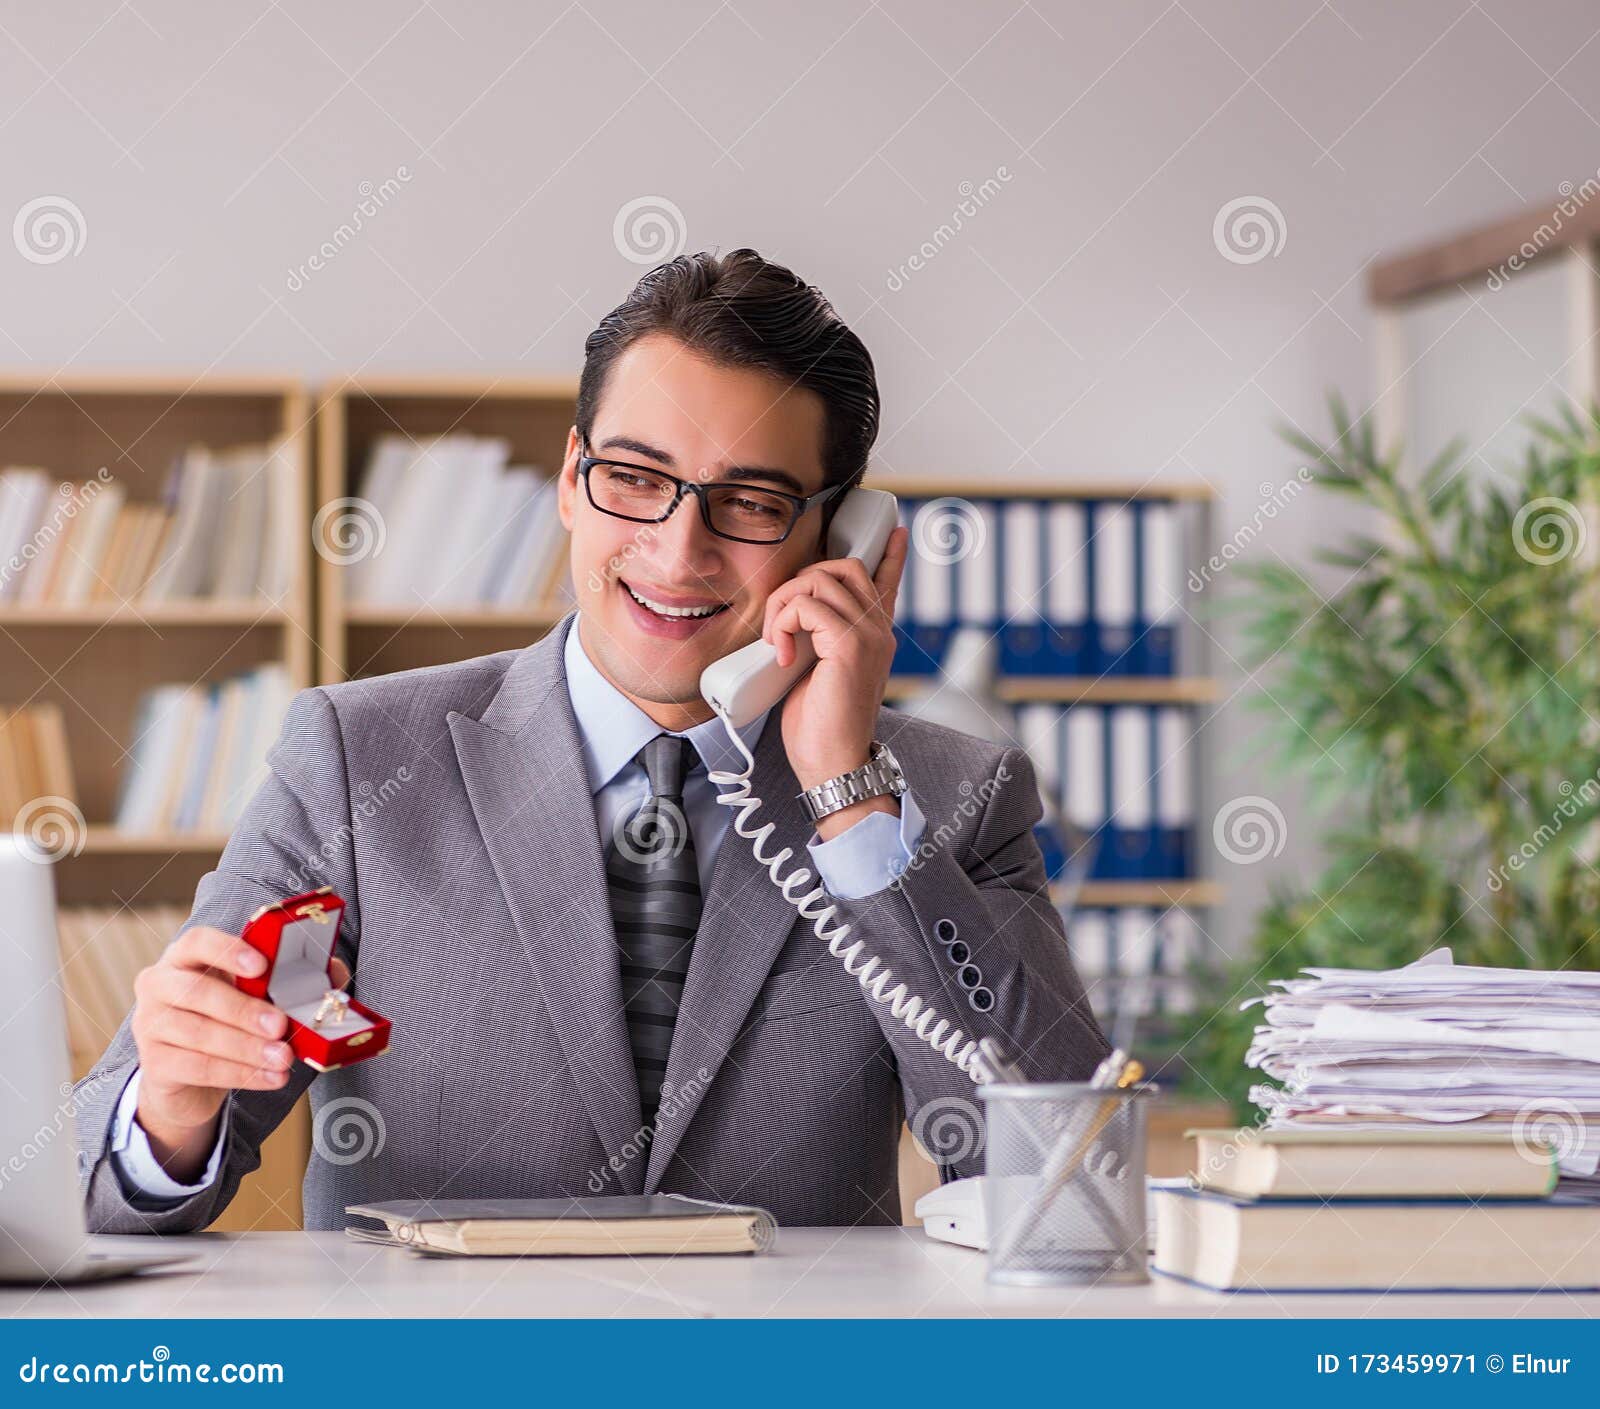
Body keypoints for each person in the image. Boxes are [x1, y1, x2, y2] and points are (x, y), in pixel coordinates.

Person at [77, 248, 1110, 1232]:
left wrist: (850, 793)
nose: (677, 548)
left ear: (838, 539)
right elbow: (94, 1188)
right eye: (634, 477)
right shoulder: (358, 754)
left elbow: (1074, 1179)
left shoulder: (956, 793)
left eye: (749, 502)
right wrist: (170, 1109)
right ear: (572, 477)